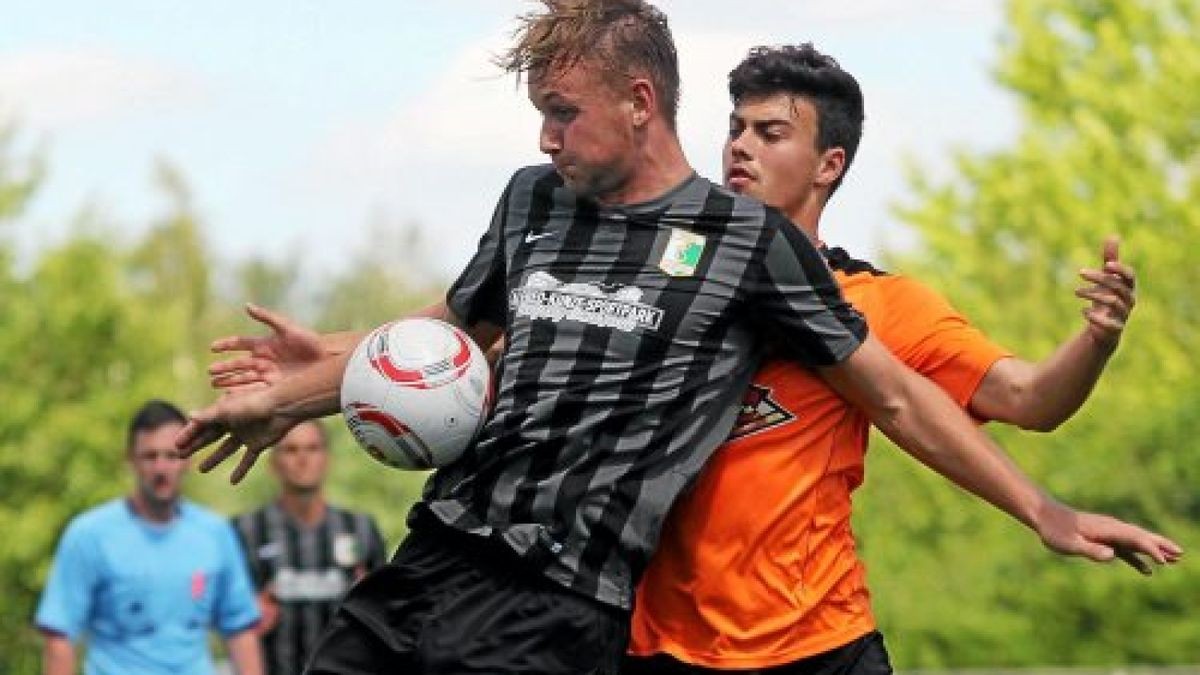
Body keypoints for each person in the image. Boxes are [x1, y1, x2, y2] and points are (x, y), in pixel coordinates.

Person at [176, 2, 1179, 673]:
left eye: (563, 114)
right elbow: (445, 338)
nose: (546, 138)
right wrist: (298, 388)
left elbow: (910, 397)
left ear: (640, 102)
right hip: (447, 559)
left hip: (588, 607)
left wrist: (1040, 509)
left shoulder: (755, 251)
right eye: (541, 116)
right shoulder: (532, 202)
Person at [622, 43, 1177, 674]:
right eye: (735, 129)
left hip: (819, 644)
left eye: (770, 133)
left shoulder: (876, 303)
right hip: (658, 646)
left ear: (828, 164)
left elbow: (1031, 400)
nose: (739, 147)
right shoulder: (666, 275)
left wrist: (1096, 339)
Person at [35, 399, 262, 675]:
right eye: (149, 456)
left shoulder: (214, 533)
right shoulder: (89, 535)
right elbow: (59, 634)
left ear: (187, 460)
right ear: (130, 459)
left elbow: (240, 629)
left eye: (171, 455)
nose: (160, 468)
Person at [232, 419, 387, 675]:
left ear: (327, 459)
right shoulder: (245, 530)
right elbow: (221, 614)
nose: (302, 458)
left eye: (312, 448)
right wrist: (244, 615)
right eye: (291, 450)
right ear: (273, 464)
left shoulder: (360, 528)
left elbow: (386, 613)